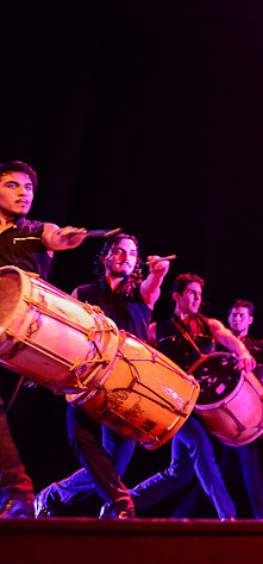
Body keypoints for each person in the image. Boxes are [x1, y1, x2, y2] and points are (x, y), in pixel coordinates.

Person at [33, 234, 171, 519]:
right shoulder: (82, 294)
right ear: (105, 256)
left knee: (111, 469)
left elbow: (154, 282)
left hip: (128, 391)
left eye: (132, 254)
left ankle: (54, 495)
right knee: (79, 436)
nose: (126, 257)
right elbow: (63, 336)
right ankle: (121, 504)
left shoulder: (141, 295)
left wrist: (158, 272)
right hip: (86, 383)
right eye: (119, 252)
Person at [126, 273, 256, 520]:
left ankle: (122, 505)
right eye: (192, 293)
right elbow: (144, 366)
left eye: (199, 293)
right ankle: (227, 516)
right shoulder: (157, 330)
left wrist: (244, 353)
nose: (197, 298)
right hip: (173, 404)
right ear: (177, 296)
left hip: (201, 405)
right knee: (199, 443)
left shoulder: (210, 325)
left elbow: (231, 340)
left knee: (180, 473)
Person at [0, 160, 88, 518]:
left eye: (29, 188)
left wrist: (61, 239)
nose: (24, 193)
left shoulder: (28, 232)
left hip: (17, 339)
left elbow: (50, 235)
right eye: (13, 186)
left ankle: (16, 492)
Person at [173, 299, 263, 519]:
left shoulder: (254, 346)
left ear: (250, 320)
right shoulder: (217, 342)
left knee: (221, 473)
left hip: (241, 418)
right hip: (216, 415)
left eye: (242, 315)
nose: (237, 319)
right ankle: (261, 517)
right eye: (234, 315)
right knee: (234, 461)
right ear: (228, 319)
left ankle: (183, 512)